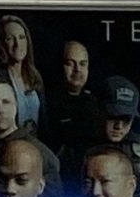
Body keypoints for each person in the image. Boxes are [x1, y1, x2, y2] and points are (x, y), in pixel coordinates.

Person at [42, 36, 102, 174]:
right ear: (60, 66)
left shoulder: (96, 103)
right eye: (70, 63)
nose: (77, 70)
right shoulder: (46, 103)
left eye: (83, 64)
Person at [0, 14, 45, 127]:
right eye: (10, 39)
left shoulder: (34, 76)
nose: (17, 44)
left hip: (35, 143)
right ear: (1, 44)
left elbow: (44, 122)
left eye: (21, 37)